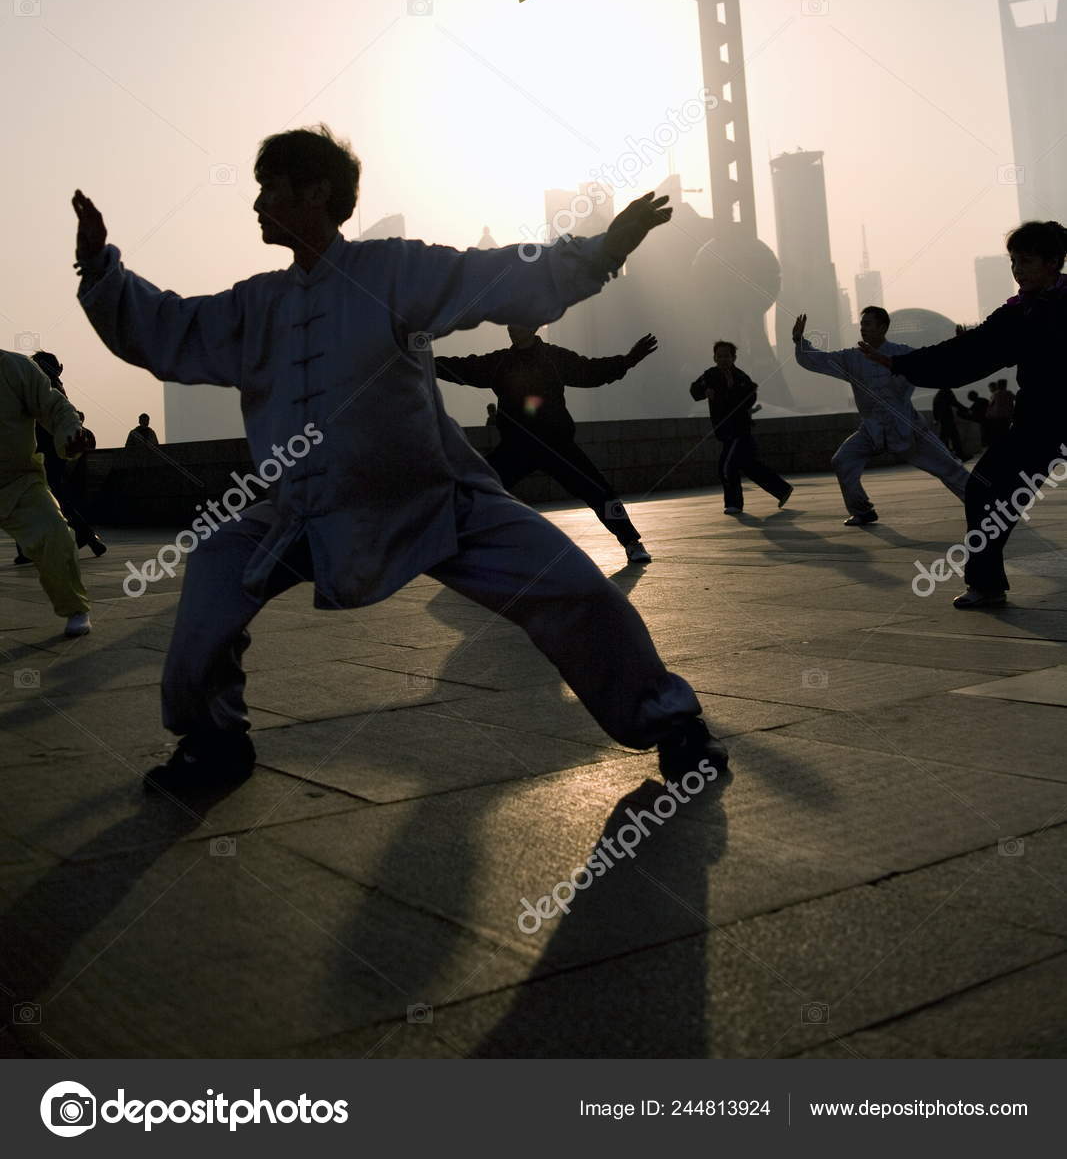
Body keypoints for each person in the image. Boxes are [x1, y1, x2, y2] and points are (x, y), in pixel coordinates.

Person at [74, 124, 727, 795]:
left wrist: (598, 252)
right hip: (301, 514)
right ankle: (214, 742)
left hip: (431, 499)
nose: (257, 203)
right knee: (213, 575)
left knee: (574, 589)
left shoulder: (389, 271)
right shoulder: (256, 305)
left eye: (270, 187)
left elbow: (491, 275)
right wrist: (102, 270)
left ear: (317, 190)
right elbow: (171, 328)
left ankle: (672, 723)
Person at [861, 221, 1067, 609]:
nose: (1017, 270)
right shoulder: (1018, 313)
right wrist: (898, 362)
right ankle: (986, 584)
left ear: (1054, 262)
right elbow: (968, 352)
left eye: (1026, 261)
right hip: (1040, 422)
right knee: (984, 487)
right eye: (1013, 261)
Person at [434, 327, 658, 563]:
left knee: (599, 491)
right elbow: (463, 368)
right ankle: (453, 545)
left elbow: (590, 371)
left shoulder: (554, 357)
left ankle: (631, 542)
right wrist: (426, 362)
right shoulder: (500, 362)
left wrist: (628, 361)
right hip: (517, 446)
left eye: (516, 324)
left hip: (556, 445)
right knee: (476, 490)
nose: (511, 329)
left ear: (530, 326)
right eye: (509, 324)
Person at [793, 307, 970, 525]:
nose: (863, 329)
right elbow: (820, 360)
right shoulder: (852, 358)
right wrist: (799, 340)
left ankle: (984, 503)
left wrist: (962, 347)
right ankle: (862, 510)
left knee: (949, 467)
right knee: (843, 461)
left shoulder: (903, 354)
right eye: (862, 325)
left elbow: (932, 360)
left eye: (868, 324)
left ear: (883, 328)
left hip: (908, 428)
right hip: (871, 429)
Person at [0, 350, 96, 635]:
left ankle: (75, 608)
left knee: (55, 534)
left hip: (19, 481)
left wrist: (70, 437)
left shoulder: (16, 368)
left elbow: (56, 408)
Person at [11, 351, 105, 563]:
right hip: (55, 451)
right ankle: (86, 536)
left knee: (33, 496)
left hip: (42, 451)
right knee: (53, 495)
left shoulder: (42, 386)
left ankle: (84, 535)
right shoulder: (56, 386)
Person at [690, 340, 793, 516]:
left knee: (727, 466)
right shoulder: (710, 375)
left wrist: (733, 389)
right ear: (714, 357)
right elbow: (694, 390)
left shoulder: (741, 377)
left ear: (734, 358)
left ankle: (734, 503)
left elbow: (750, 398)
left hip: (739, 430)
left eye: (727, 356)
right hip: (724, 430)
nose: (723, 359)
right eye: (720, 356)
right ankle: (781, 489)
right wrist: (704, 391)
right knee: (748, 465)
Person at [932, 386, 965, 457]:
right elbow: (955, 403)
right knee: (954, 437)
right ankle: (960, 454)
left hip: (942, 419)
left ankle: (944, 454)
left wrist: (936, 418)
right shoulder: (947, 393)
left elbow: (935, 407)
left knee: (944, 437)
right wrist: (966, 409)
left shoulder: (938, 395)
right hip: (948, 418)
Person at [984, 377, 1015, 446]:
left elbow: (990, 406)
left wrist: (988, 415)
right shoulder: (1009, 393)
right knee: (1005, 431)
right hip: (1006, 416)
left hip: (997, 417)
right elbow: (1013, 401)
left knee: (999, 432)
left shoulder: (995, 394)